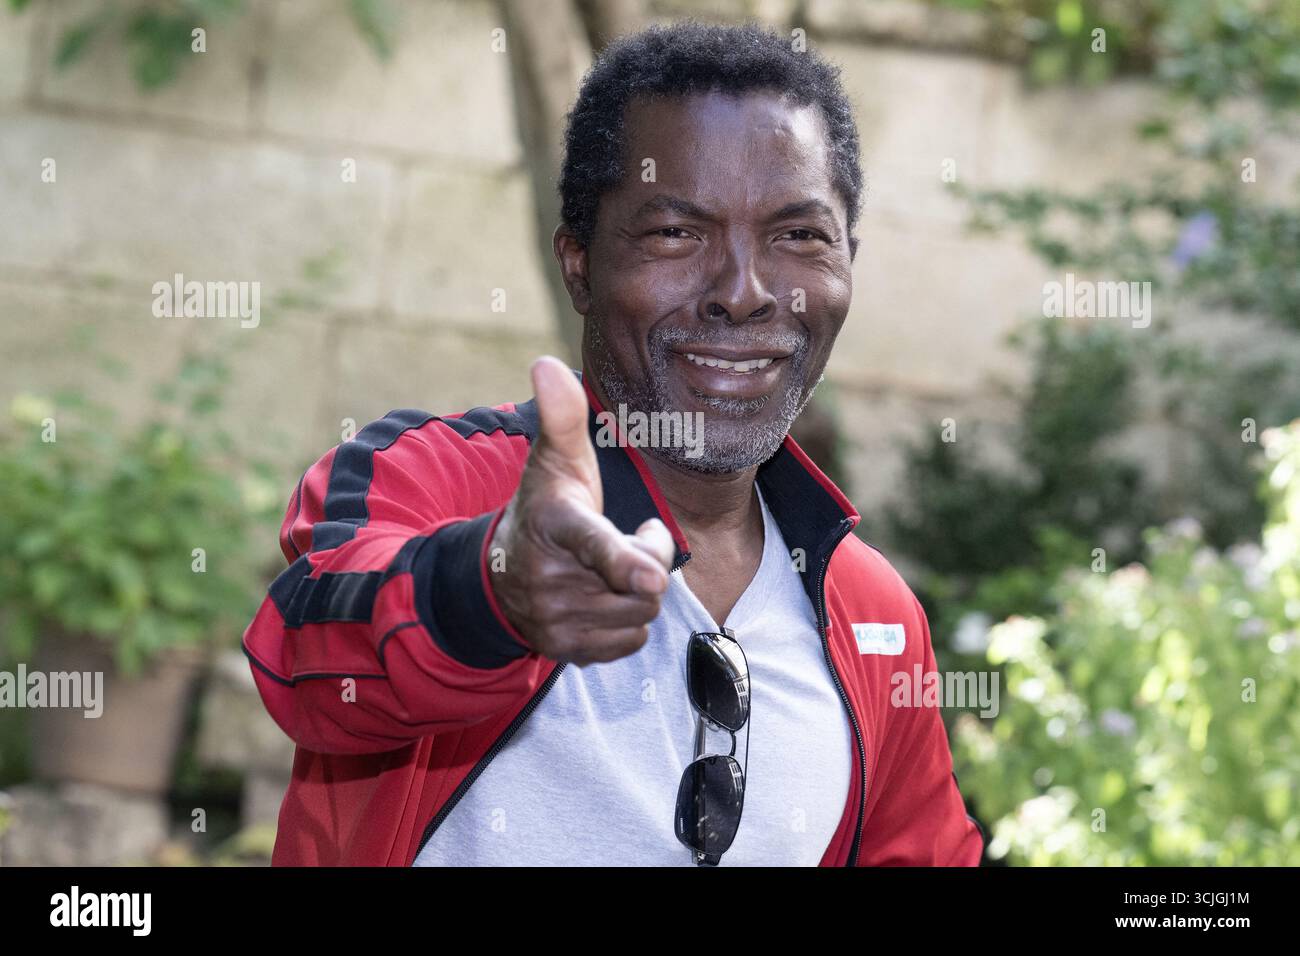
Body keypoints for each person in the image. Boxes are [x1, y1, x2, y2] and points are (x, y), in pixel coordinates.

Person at [243, 21, 984, 866]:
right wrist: (491, 590)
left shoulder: (874, 614)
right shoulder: (433, 476)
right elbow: (303, 651)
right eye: (675, 233)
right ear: (580, 267)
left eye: (799, 236)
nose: (743, 293)